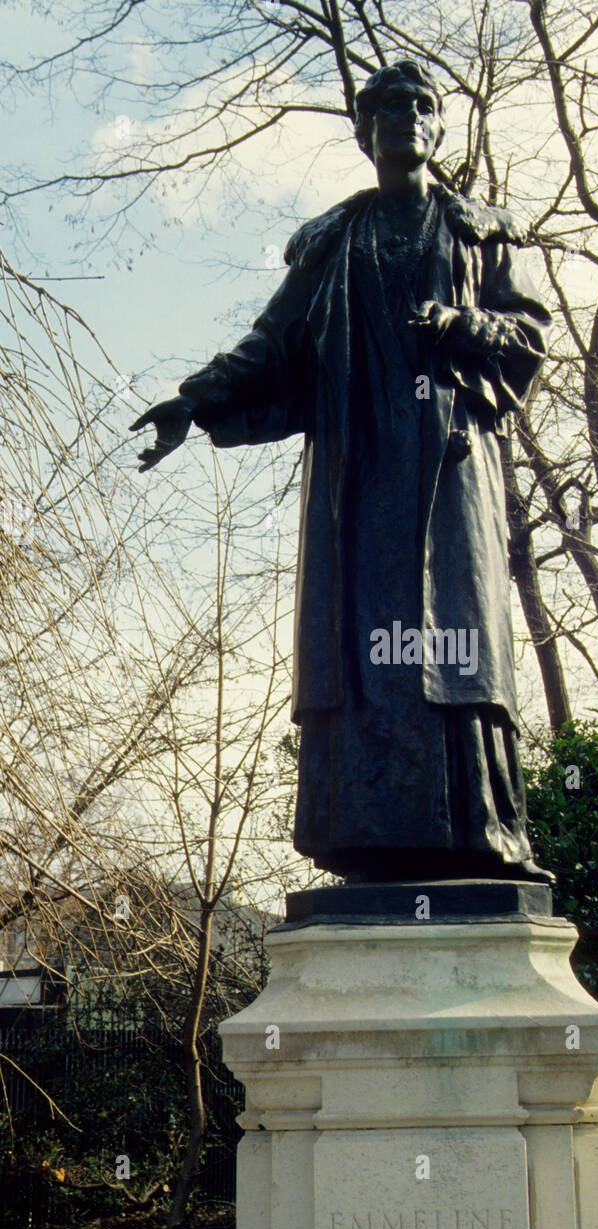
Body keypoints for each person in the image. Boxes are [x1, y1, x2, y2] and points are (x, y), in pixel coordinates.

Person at [132, 59, 553, 884]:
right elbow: (272, 343)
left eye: (422, 105)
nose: (405, 116)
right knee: (363, 653)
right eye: (387, 106)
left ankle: (475, 837)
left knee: (456, 643)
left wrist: (462, 324)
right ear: (365, 131)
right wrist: (194, 398)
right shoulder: (331, 245)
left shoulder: (484, 233)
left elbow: (530, 336)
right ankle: (369, 836)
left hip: (447, 478)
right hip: (358, 485)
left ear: (439, 127)